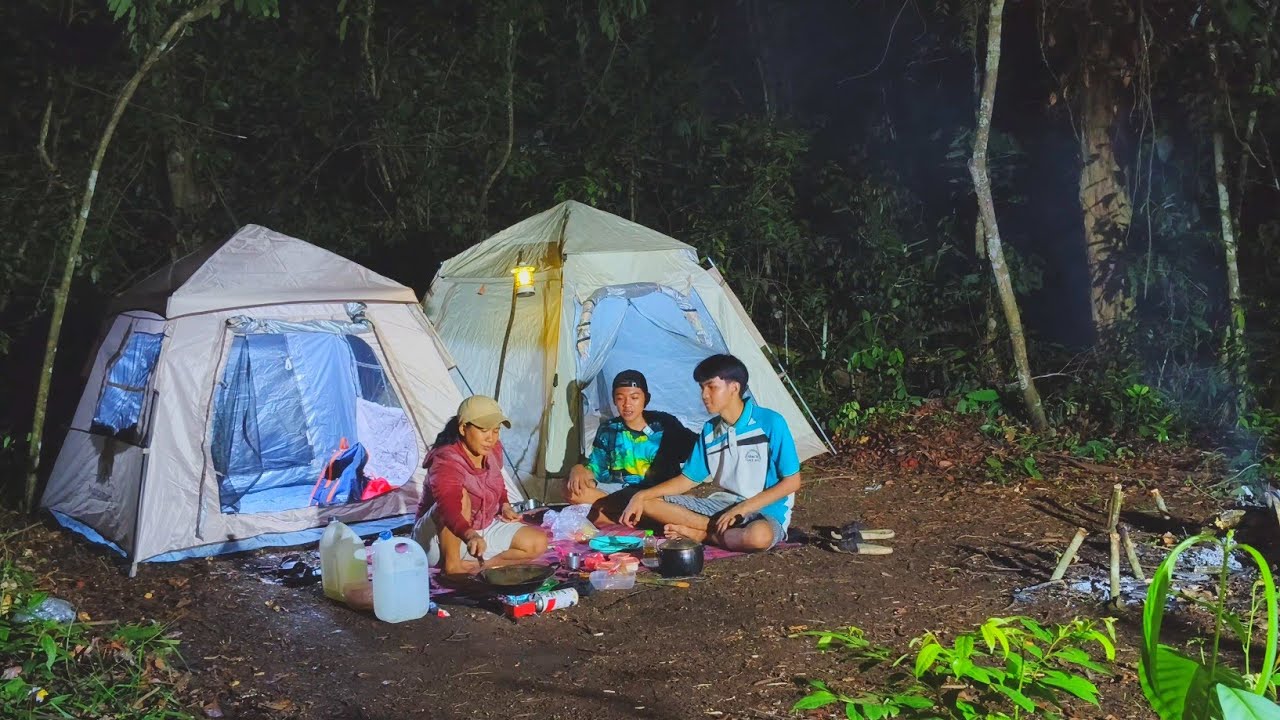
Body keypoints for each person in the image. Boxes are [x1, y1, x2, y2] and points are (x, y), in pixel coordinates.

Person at [619, 354, 799, 552]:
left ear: (734, 388)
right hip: (719, 507)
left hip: (764, 511)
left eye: (711, 387)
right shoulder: (709, 430)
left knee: (758, 537)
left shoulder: (770, 422)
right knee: (647, 504)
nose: (704, 395)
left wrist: (744, 508)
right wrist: (642, 496)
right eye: (702, 388)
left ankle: (701, 534)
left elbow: (792, 482)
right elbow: (688, 480)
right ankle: (715, 530)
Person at [413, 395, 548, 575]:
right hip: (436, 541)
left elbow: (496, 481)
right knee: (461, 497)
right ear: (463, 428)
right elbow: (448, 508)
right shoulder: (446, 460)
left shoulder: (492, 449)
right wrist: (470, 535)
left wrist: (505, 505)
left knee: (538, 542)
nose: (490, 438)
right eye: (484, 430)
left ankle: (479, 567)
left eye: (496, 430)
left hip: (478, 533)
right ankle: (452, 567)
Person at [564, 370, 697, 526]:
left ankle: (625, 517)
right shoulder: (609, 429)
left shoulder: (664, 424)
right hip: (620, 493)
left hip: (656, 495)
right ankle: (643, 519)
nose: (627, 405)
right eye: (620, 398)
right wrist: (578, 469)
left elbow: (696, 452)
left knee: (654, 504)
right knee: (570, 489)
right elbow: (597, 469)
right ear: (614, 400)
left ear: (646, 399)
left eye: (634, 398)